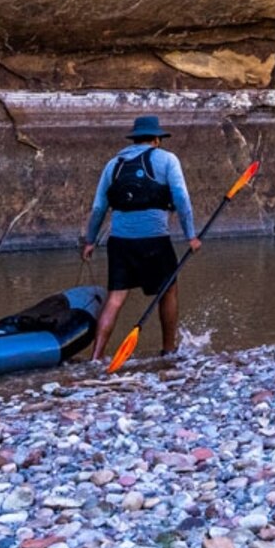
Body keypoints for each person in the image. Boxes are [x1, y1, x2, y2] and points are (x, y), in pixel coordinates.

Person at [81, 113, 198, 363]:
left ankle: (96, 356)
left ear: (134, 139)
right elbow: (182, 199)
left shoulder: (113, 165)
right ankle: (168, 349)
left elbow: (99, 208)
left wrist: (90, 241)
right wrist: (191, 236)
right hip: (155, 240)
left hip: (120, 242)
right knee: (167, 291)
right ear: (156, 139)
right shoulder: (167, 159)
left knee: (115, 297)